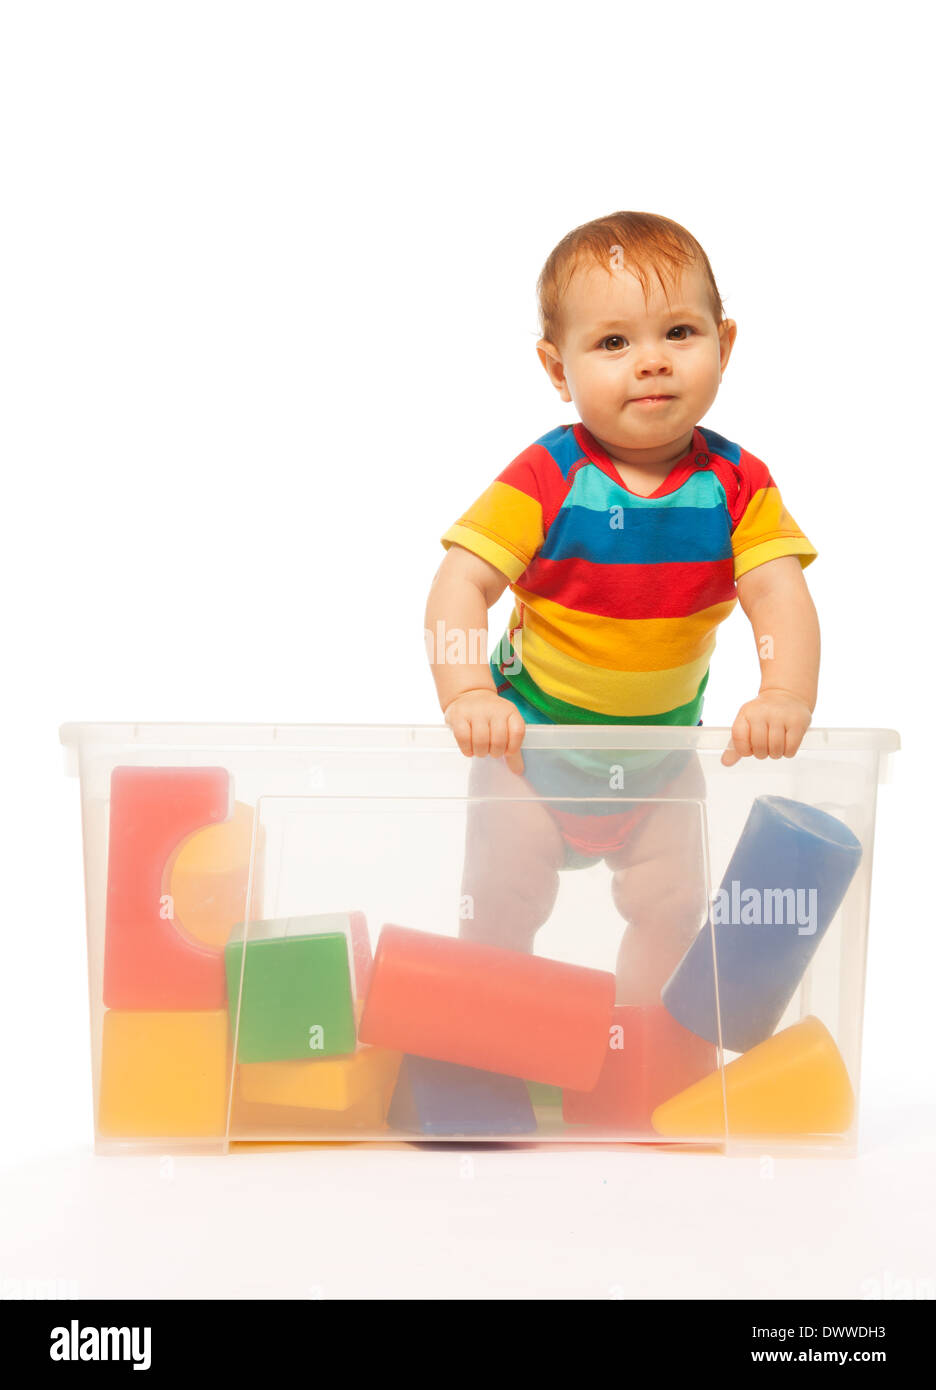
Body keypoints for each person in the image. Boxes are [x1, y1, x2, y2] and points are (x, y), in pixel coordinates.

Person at [425, 210, 819, 1003]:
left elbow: (779, 592)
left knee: (674, 910)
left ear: (724, 344)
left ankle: (640, 1046)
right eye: (613, 342)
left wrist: (784, 694)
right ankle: (490, 1033)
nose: (652, 361)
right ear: (557, 368)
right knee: (503, 898)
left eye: (679, 332)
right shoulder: (547, 475)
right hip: (528, 753)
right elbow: (460, 583)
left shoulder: (739, 484)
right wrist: (468, 694)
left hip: (661, 764)